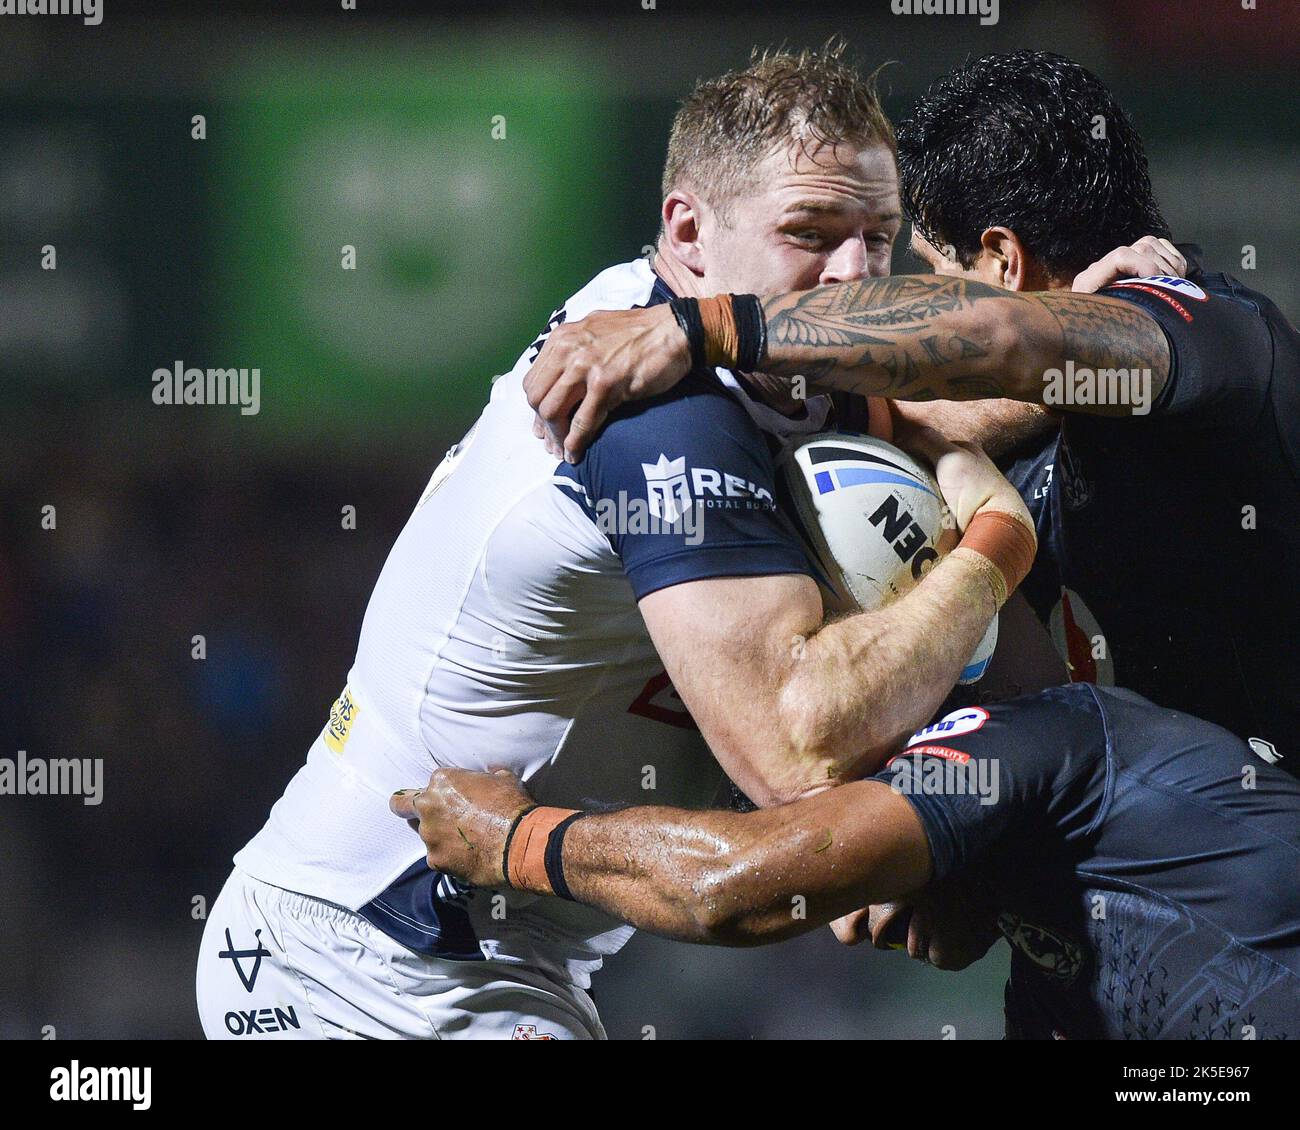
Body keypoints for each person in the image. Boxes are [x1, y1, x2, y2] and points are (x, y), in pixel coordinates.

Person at [195, 45, 1037, 1042]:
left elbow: (971, 387)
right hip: (367, 954)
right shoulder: (655, 415)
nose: (852, 275)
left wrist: (1114, 314)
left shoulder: (745, 347)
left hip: (489, 953)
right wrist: (995, 545)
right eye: (810, 234)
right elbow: (799, 758)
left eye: (878, 238)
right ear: (688, 230)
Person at [525, 51, 1300, 778]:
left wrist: (708, 328)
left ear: (1001, 264)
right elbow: (941, 394)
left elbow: (996, 337)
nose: (865, 285)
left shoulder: (1211, 334)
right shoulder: (1016, 410)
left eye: (913, 269)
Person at [396, 682, 1300, 1040]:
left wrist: (515, 842)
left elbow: (735, 893)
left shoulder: (1046, 741)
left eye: (850, 873)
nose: (846, 924)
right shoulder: (1056, 971)